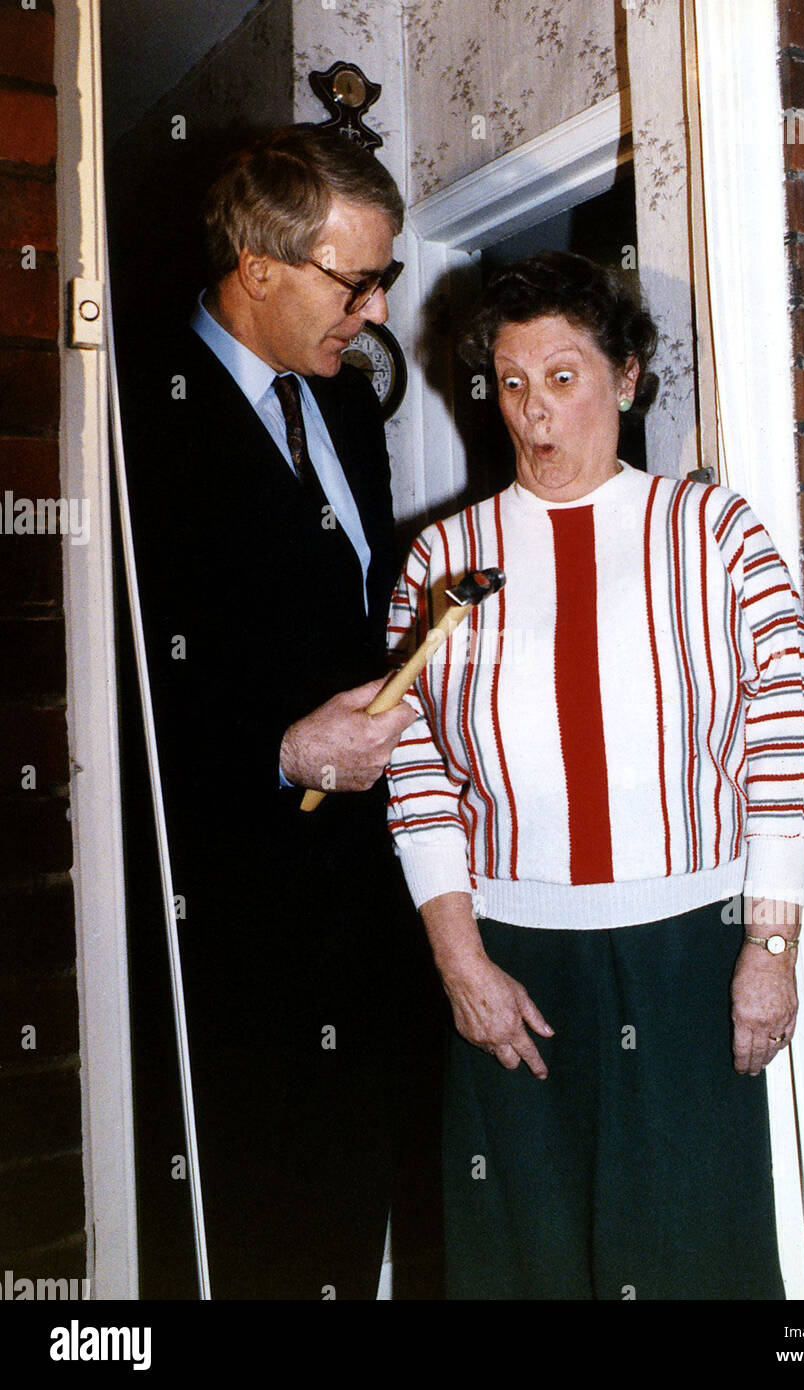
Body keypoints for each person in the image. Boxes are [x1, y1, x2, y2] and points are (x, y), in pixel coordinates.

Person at [386, 251, 804, 1300]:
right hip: (513, 967)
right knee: (521, 1262)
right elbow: (417, 774)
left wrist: (768, 943)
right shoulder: (441, 560)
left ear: (627, 378)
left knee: (687, 1258)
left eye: (565, 377)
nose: (536, 414)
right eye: (511, 383)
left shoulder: (717, 532)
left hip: (685, 959)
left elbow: (786, 737)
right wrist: (458, 963)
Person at [120, 126, 440, 1299]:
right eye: (355, 282)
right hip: (225, 913)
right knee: (253, 1225)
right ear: (258, 265)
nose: (372, 313)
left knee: (359, 1205)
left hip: (364, 897)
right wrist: (277, 749)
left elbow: (353, 615)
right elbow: (121, 679)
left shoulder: (348, 409)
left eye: (383, 281)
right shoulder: (130, 405)